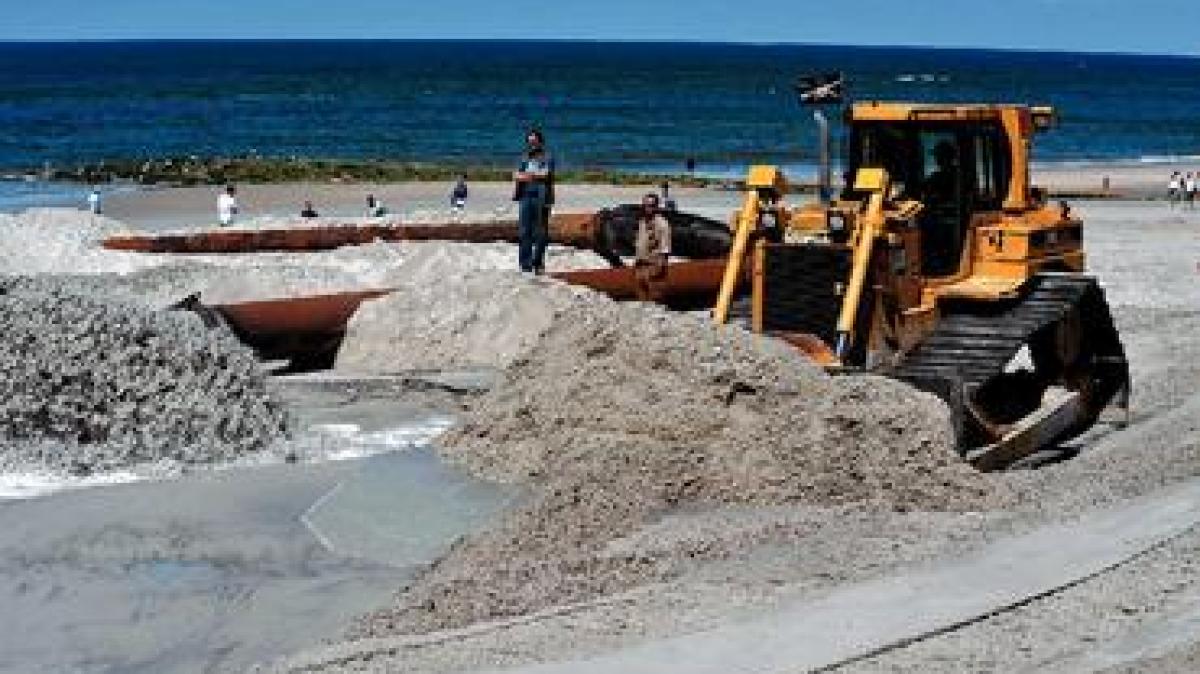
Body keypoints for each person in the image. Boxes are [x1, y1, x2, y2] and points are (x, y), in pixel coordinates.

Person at [513, 128, 555, 274]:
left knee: (541, 231)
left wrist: (527, 175)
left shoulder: (547, 156)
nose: (532, 145)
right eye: (530, 142)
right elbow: (516, 175)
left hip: (542, 197)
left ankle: (538, 263)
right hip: (525, 195)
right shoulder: (524, 157)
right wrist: (532, 175)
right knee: (524, 231)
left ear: (540, 142)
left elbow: (545, 174)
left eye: (535, 142)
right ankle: (525, 264)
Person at [634, 192, 671, 302]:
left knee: (655, 298)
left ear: (656, 207)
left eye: (651, 206)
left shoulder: (662, 224)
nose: (647, 208)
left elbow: (665, 248)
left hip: (653, 265)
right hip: (640, 265)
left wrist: (659, 268)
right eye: (645, 205)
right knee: (641, 296)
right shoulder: (642, 222)